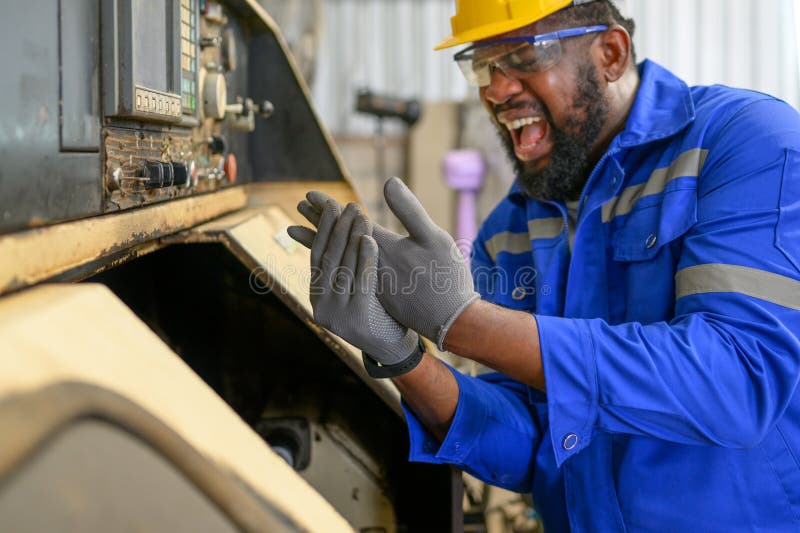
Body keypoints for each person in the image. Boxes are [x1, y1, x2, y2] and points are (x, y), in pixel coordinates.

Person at [288, 0, 800, 529]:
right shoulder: (509, 231)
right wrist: (402, 358)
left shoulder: (744, 144)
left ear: (611, 53)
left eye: (524, 55)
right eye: (484, 63)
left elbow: (736, 380)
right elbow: (531, 443)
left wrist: (462, 323)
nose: (495, 88)